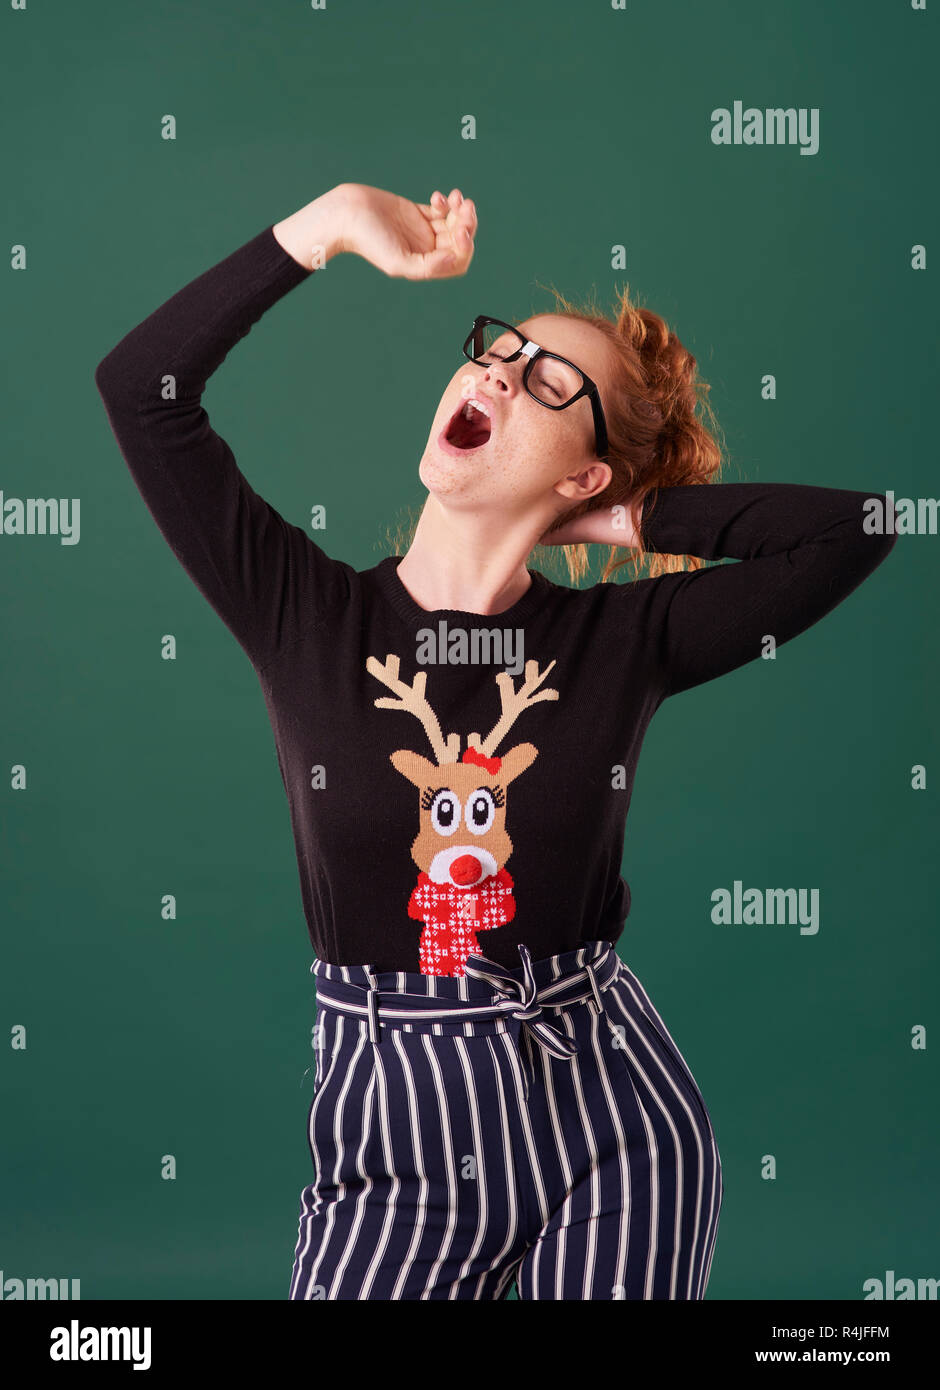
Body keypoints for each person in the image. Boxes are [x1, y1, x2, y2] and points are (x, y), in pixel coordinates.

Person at [94, 182, 896, 1300]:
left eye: (545, 383)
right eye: (496, 351)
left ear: (585, 473)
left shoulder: (626, 637)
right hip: (395, 1138)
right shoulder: (301, 614)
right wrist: (323, 227)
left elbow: (857, 529)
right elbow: (141, 391)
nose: (494, 374)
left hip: (613, 1123)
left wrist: (633, 518)